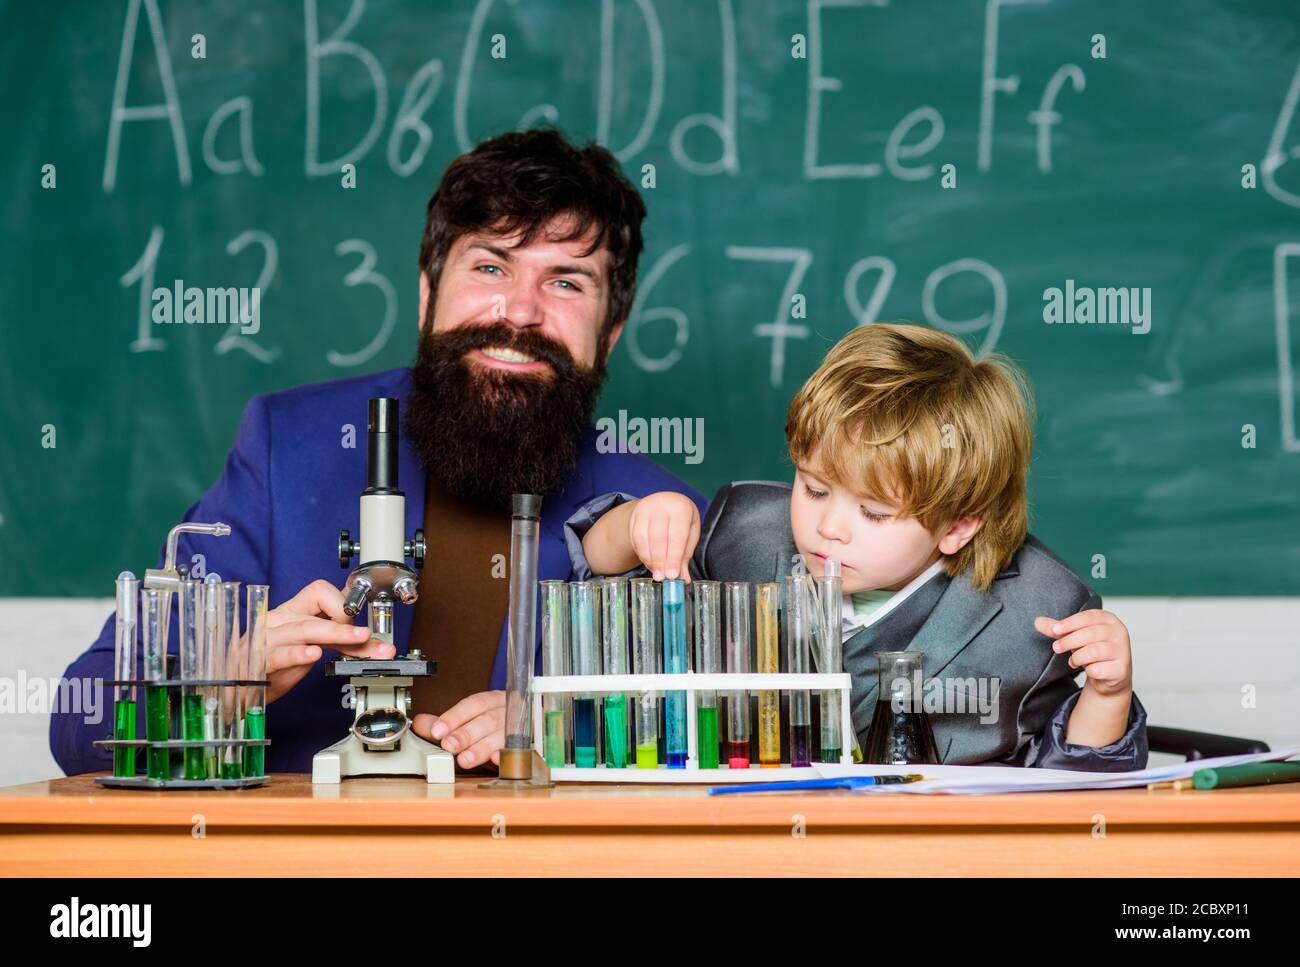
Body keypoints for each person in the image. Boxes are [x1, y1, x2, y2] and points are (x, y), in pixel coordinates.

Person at [51, 128, 705, 776]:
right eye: (490, 267)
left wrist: (566, 723)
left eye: (566, 283)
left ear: (610, 331)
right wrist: (220, 685)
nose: (520, 311)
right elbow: (78, 725)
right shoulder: (287, 450)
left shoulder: (656, 518)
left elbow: (740, 732)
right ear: (427, 294)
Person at [573, 323, 1147, 770]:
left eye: (874, 512)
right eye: (814, 488)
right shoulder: (741, 530)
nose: (831, 528)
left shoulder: (1041, 611)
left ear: (957, 527)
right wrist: (634, 526)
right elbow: (604, 587)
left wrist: (1108, 692)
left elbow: (1073, 782)